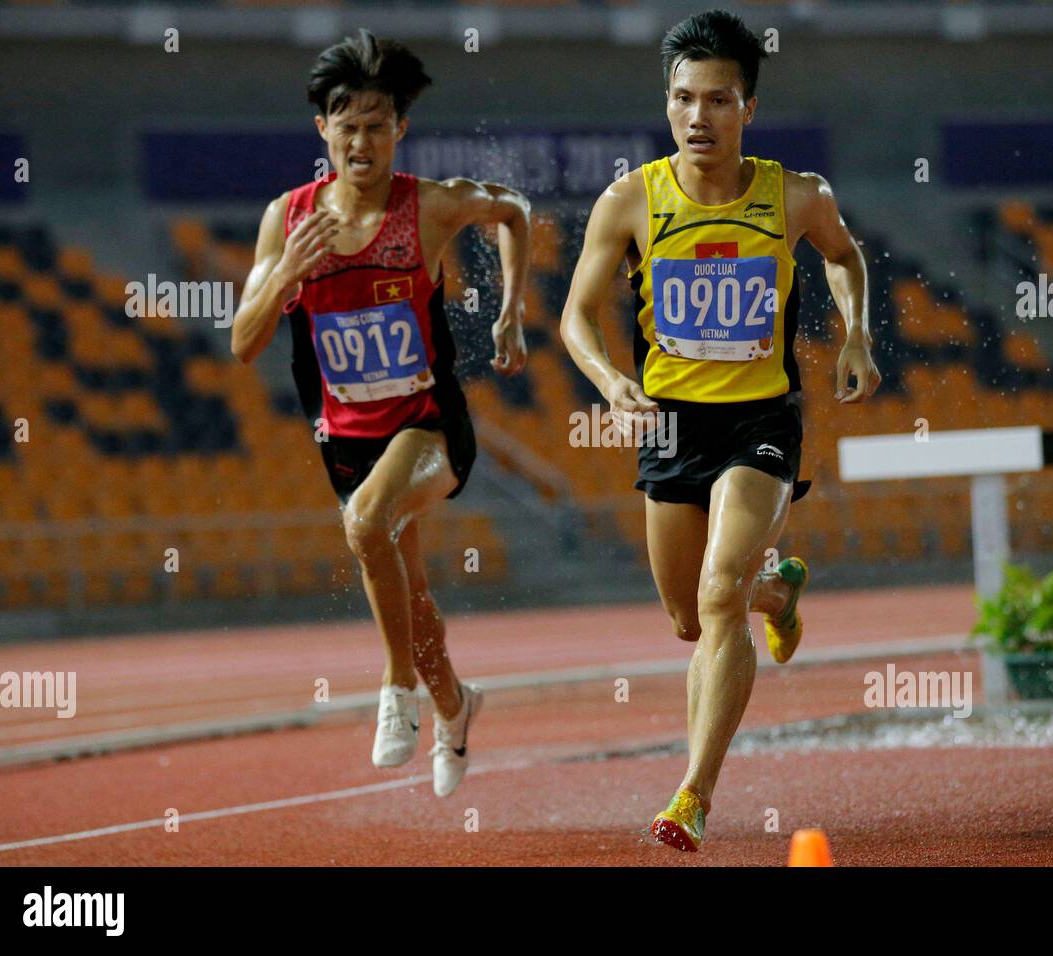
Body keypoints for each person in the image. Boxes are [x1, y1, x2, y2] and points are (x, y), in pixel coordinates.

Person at [560, 9, 879, 851]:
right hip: (669, 425)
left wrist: (857, 334)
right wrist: (606, 380)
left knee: (715, 592)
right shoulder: (629, 201)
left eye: (718, 100)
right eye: (682, 99)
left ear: (748, 109)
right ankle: (780, 591)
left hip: (760, 420)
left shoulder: (797, 196)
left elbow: (845, 258)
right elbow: (576, 318)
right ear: (666, 104)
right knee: (690, 619)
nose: (698, 117)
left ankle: (692, 794)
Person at [231, 29, 530, 797]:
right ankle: (457, 709)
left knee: (366, 524)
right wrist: (285, 275)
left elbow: (514, 211)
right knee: (414, 596)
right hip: (346, 437)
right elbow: (242, 341)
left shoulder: (427, 206)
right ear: (322, 129)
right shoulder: (288, 218)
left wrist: (509, 314)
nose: (360, 140)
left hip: (428, 425)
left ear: (400, 128)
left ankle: (396, 695)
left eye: (376, 123)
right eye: (346, 123)